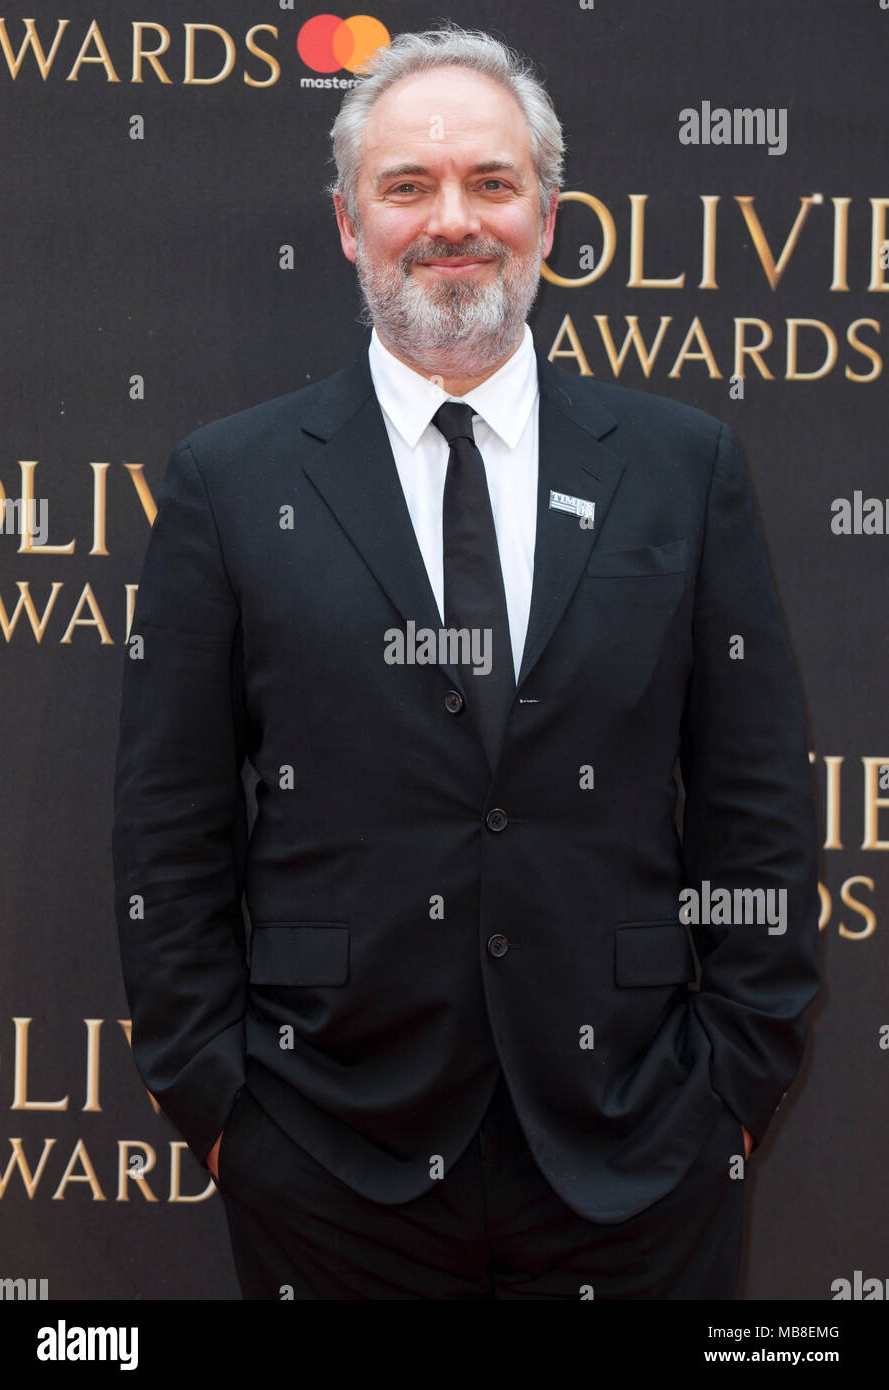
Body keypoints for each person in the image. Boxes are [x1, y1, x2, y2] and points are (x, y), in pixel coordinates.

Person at [112, 23, 820, 1300]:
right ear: (346, 223)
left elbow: (754, 801)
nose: (453, 220)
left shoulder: (681, 467)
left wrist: (735, 1085)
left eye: (490, 184)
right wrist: (222, 1107)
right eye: (408, 186)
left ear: (547, 219)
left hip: (639, 1144)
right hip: (327, 1154)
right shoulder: (232, 482)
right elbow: (169, 822)